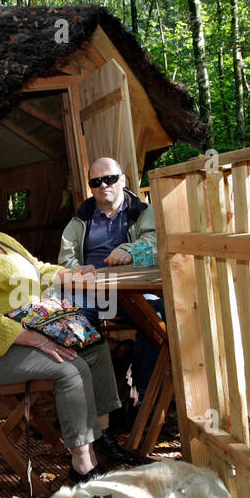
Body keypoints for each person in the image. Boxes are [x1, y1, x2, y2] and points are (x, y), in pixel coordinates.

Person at [0, 170, 136, 484]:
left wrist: (71, 274)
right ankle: (83, 465)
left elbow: (38, 269)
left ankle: (101, 435)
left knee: (94, 347)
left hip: (28, 329)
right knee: (70, 367)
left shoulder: (1, 240)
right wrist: (39, 342)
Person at [57, 157, 163, 398]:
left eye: (110, 179)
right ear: (91, 187)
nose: (104, 185)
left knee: (157, 320)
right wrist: (80, 272)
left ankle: (142, 395)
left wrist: (129, 250)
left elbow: (154, 244)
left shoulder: (143, 211)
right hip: (92, 293)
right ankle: (93, 400)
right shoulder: (79, 220)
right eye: (96, 181)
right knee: (72, 324)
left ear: (122, 180)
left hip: (133, 291)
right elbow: (65, 261)